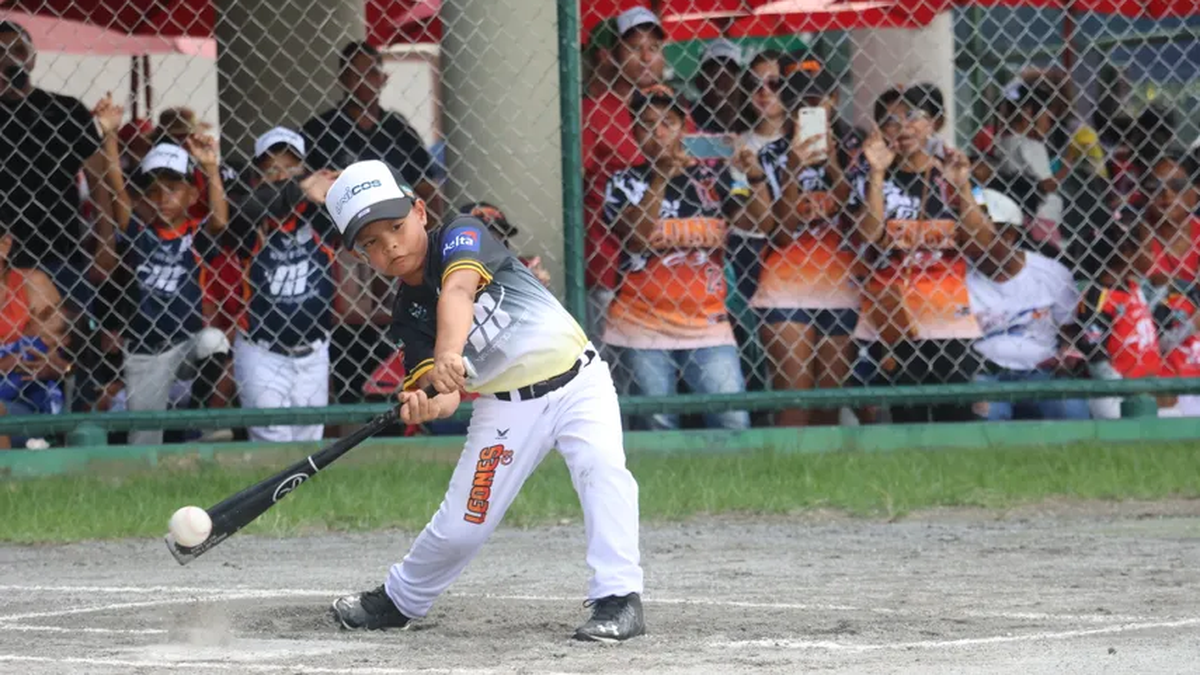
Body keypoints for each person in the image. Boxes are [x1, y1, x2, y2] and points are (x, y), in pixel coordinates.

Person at [321, 160, 644, 641]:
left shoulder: (462, 233)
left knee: (602, 470)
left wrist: (449, 351)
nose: (389, 244)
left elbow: (456, 289)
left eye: (395, 226)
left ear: (421, 212)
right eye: (370, 241)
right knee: (463, 525)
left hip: (580, 381)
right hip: (507, 408)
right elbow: (444, 396)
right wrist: (428, 403)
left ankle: (619, 599)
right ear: (361, 256)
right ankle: (399, 600)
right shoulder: (408, 317)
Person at [602, 86, 769, 430]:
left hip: (707, 321)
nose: (659, 132)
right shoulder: (622, 182)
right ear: (634, 132)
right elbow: (636, 239)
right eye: (647, 124)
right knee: (658, 422)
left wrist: (752, 174)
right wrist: (660, 178)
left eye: (669, 123)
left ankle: (734, 483)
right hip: (642, 323)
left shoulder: (713, 178)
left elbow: (760, 221)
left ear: (684, 129)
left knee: (732, 419)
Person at [95, 119, 232, 446]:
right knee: (144, 438)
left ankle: (198, 421)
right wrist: (110, 135)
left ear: (192, 194)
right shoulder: (139, 233)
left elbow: (220, 220)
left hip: (186, 344)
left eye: (173, 188)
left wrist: (210, 167)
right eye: (154, 190)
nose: (162, 197)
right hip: (145, 351)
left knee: (213, 341)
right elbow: (117, 188)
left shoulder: (194, 236)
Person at [854, 87, 987, 423]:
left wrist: (961, 188)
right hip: (896, 317)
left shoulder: (953, 170)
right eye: (892, 121)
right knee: (907, 414)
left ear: (935, 123)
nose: (904, 128)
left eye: (913, 116)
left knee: (955, 414)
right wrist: (877, 175)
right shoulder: (872, 176)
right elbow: (869, 234)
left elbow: (982, 240)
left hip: (948, 314)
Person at [749, 52, 862, 426]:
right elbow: (780, 233)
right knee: (795, 405)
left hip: (840, 286)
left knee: (827, 408)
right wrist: (795, 169)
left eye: (816, 100)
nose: (806, 108)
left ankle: (822, 484)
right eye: (798, 100)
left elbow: (859, 221)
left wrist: (831, 164)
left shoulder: (855, 152)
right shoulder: (770, 155)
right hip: (785, 287)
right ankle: (781, 480)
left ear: (834, 101)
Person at [230, 128, 340, 442]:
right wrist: (300, 186)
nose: (282, 176)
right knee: (271, 443)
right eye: (273, 170)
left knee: (308, 444)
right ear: (258, 176)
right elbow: (239, 215)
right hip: (263, 351)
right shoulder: (250, 219)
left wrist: (340, 181)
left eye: (291, 169)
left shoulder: (319, 215)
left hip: (314, 351)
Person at [582, 6, 668, 352]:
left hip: (670, 270)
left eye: (654, 48)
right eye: (635, 48)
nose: (647, 57)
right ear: (614, 55)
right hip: (611, 265)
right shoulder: (594, 111)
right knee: (616, 376)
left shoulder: (673, 110)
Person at [0, 21, 101, 310]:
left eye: (18, 49)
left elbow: (98, 179)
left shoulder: (66, 110)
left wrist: (105, 240)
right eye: (1, 51)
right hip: (4, 261)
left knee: (71, 342)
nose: (11, 58)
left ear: (32, 58)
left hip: (61, 251)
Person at [965, 187, 1090, 420]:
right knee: (986, 417)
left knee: (1071, 409)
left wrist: (1066, 355)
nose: (971, 242)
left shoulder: (1050, 272)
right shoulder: (957, 277)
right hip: (985, 374)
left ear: (1009, 235)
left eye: (980, 232)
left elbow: (1068, 329)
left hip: (1041, 372)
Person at [302, 41, 440, 214]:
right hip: (335, 231)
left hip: (395, 226)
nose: (364, 81)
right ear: (342, 79)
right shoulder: (318, 130)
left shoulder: (400, 129)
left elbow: (426, 189)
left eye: (371, 73)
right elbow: (301, 186)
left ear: (384, 78)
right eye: (355, 74)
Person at [0, 221, 69, 449]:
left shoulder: (32, 284)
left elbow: (68, 345)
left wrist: (59, 366)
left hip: (28, 402)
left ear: (5, 245)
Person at [691, 38, 743, 135]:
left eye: (728, 74)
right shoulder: (690, 119)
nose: (720, 82)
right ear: (699, 83)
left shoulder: (752, 114)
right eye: (713, 74)